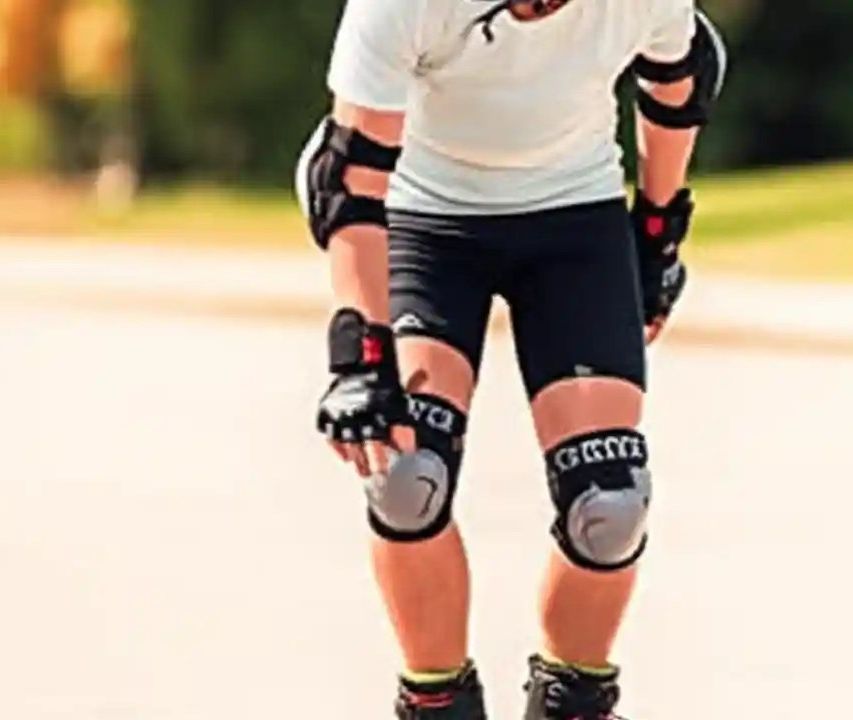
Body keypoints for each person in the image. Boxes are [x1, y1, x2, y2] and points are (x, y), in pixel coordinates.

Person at [297, 0, 726, 717]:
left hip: (573, 219)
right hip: (425, 219)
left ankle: (573, 699)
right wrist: (361, 358)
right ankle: (437, 700)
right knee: (406, 476)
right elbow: (350, 182)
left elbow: (679, 82)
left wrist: (657, 235)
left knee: (609, 502)